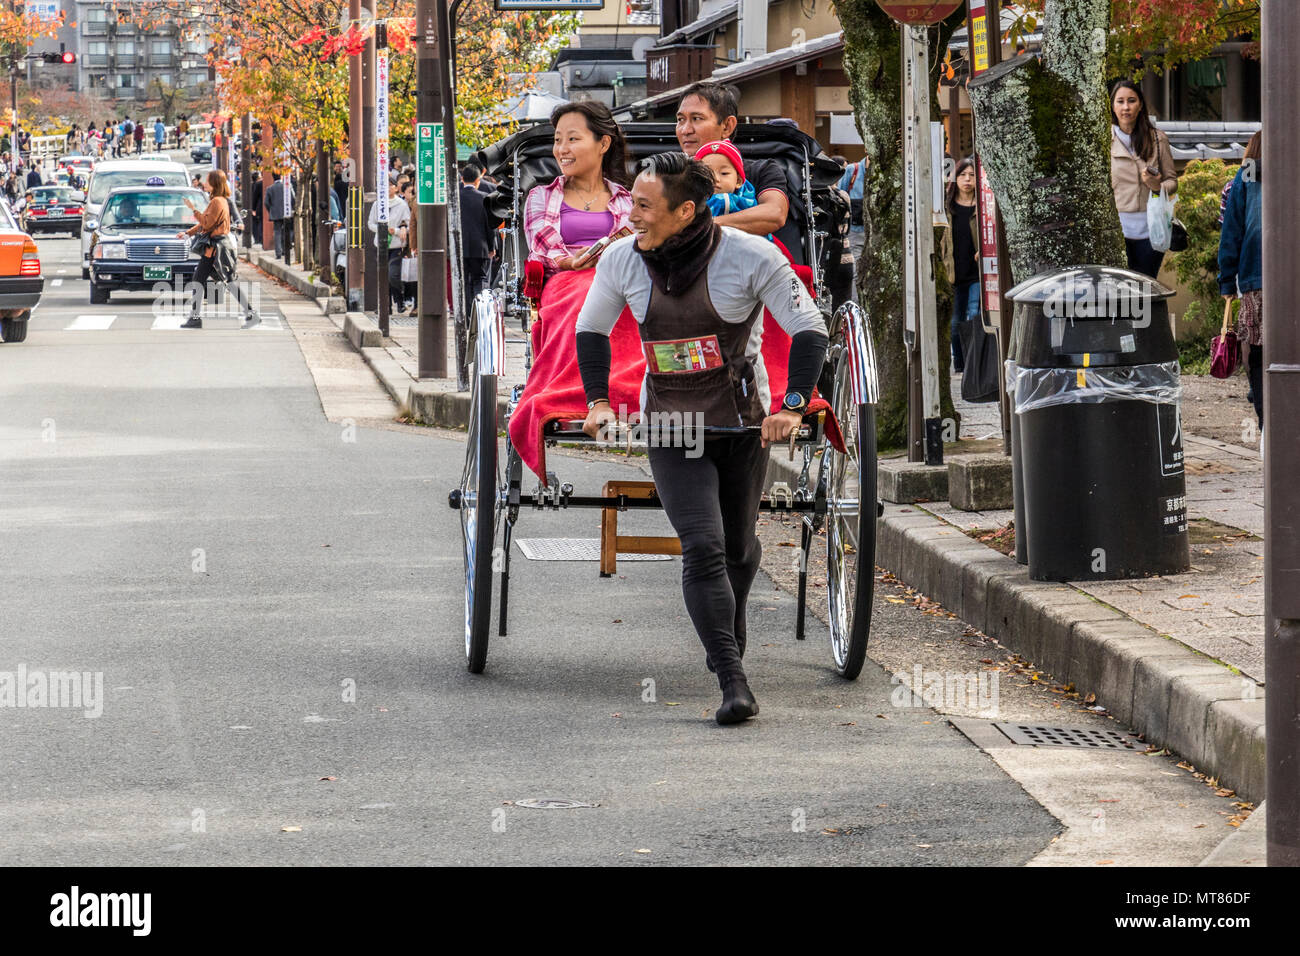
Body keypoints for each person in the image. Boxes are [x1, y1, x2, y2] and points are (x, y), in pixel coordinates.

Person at [576, 153, 828, 725]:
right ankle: (732, 679)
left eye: (643, 206)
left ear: (685, 210)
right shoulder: (621, 260)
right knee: (704, 544)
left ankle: (726, 638)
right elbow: (590, 331)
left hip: (740, 422)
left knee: (738, 549)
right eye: (631, 202)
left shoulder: (751, 256)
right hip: (669, 422)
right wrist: (596, 403)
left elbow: (809, 330)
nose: (630, 214)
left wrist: (792, 406)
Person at [674, 82, 799, 261]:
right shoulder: (670, 174)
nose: (685, 130)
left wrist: (702, 226)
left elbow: (774, 214)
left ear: (727, 126)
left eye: (697, 118)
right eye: (680, 120)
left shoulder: (760, 170)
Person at [523, 100, 632, 277]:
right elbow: (541, 247)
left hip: (616, 284)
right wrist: (571, 262)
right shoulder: (541, 197)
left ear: (603, 144)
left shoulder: (626, 199)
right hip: (564, 284)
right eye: (557, 140)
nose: (561, 149)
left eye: (572, 139)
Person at [1219, 131, 1263, 443]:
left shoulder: (1245, 174)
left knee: (1258, 353)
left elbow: (1231, 231)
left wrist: (1226, 280)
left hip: (1254, 277)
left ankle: (1265, 426)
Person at [1109, 79, 1177, 279]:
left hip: (1152, 229)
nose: (1126, 107)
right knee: (1120, 294)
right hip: (1117, 231)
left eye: (1131, 101)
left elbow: (1173, 180)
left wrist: (1157, 187)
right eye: (1120, 101)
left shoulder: (1157, 138)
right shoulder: (1104, 140)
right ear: (1112, 106)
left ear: (1140, 106)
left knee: (1146, 291)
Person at [177, 169, 258, 329]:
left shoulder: (217, 202)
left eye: (208, 181)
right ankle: (196, 318)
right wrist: (188, 233)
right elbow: (206, 223)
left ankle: (195, 318)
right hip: (216, 248)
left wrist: (193, 209)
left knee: (206, 280)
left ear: (214, 183)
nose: (205, 184)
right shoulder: (220, 200)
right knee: (223, 281)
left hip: (215, 248)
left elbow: (206, 224)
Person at [939, 157, 980, 373]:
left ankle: (973, 362)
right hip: (952, 271)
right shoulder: (947, 205)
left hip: (976, 273)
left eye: (972, 175)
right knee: (955, 322)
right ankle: (960, 362)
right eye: (963, 175)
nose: (967, 179)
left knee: (974, 316)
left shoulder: (981, 207)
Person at [366, 177, 410, 314]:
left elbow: (408, 225)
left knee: (393, 275)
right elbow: (370, 223)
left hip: (397, 245)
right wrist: (382, 229)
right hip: (381, 243)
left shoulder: (402, 205)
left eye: (391, 185)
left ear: (396, 188)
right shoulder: (377, 204)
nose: (388, 188)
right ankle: (386, 306)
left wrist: (396, 231)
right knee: (383, 276)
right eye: (385, 186)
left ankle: (400, 298)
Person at [459, 163, 495, 317]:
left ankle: (466, 317)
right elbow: (490, 226)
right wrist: (492, 247)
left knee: (464, 282)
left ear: (462, 179)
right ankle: (478, 315)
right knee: (480, 279)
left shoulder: (456, 198)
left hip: (460, 247)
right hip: (480, 247)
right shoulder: (484, 198)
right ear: (477, 180)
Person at [694, 140, 759, 217]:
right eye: (707, 173)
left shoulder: (750, 208)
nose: (715, 179)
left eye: (724, 173)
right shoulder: (688, 203)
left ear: (738, 181)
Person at [264, 173, 293, 259]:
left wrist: (271, 210)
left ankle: (278, 253)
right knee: (287, 231)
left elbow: (266, 202)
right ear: (281, 176)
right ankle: (285, 250)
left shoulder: (270, 188)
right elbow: (293, 197)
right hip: (286, 212)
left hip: (275, 213)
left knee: (277, 232)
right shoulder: (287, 186)